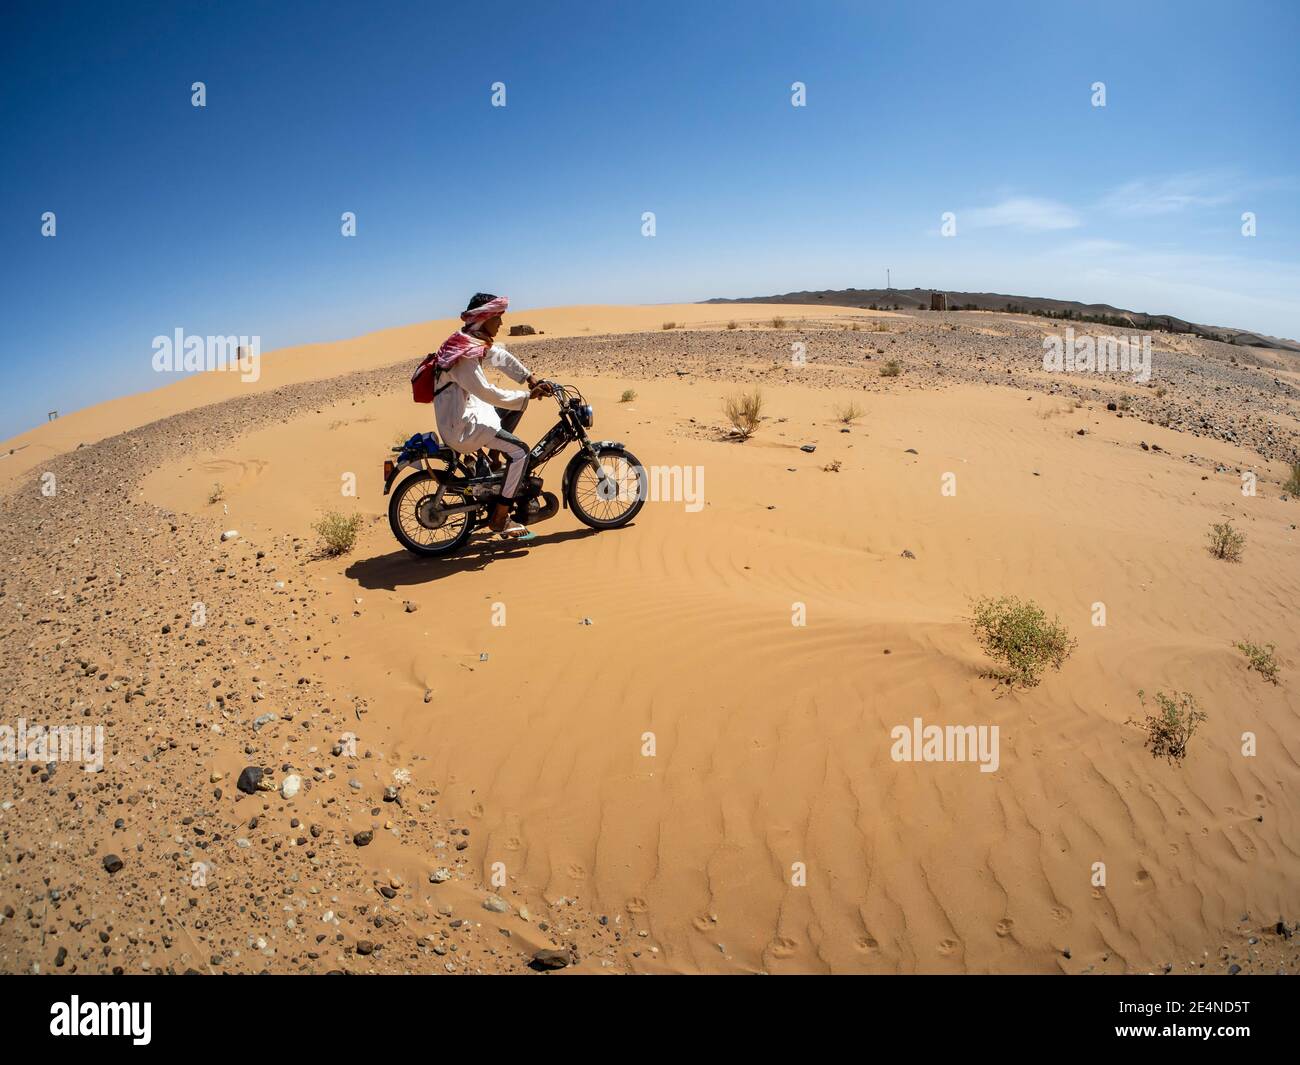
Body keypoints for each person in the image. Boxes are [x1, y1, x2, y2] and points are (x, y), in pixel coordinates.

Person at [429, 293, 551, 539]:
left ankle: (495, 458)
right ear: (484, 318)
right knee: (521, 453)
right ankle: (499, 517)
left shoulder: (470, 340)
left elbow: (501, 357)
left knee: (515, 406)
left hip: (467, 411)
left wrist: (529, 378)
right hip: (462, 426)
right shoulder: (465, 354)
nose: (501, 324)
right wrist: (528, 396)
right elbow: (486, 392)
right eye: (498, 318)